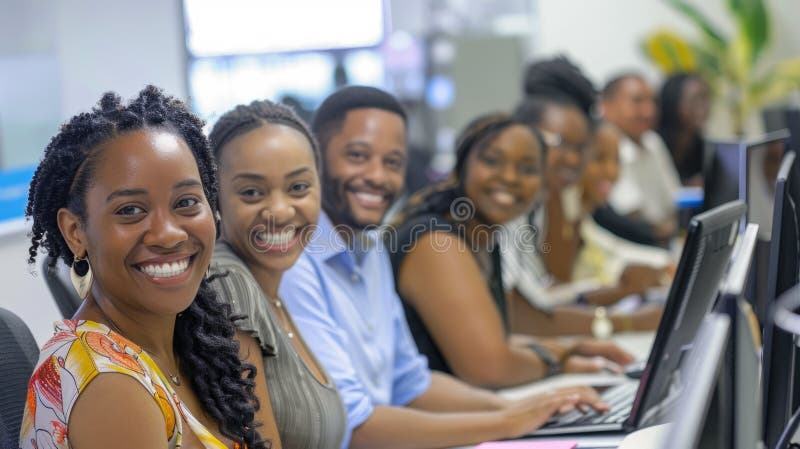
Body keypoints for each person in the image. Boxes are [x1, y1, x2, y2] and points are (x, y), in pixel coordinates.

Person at [279, 86, 607, 449]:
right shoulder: (291, 264)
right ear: (313, 157)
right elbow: (350, 426)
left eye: (393, 162)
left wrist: (526, 408)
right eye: (358, 156)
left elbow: (411, 384)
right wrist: (507, 420)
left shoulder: (369, 249)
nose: (378, 175)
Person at [20, 86, 274, 449]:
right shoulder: (109, 385)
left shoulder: (192, 344)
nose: (168, 234)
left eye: (186, 202)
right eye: (130, 210)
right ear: (76, 232)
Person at [388, 112, 635, 389]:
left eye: (527, 169)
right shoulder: (436, 242)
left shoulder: (485, 238)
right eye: (492, 161)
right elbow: (490, 368)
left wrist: (568, 351)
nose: (509, 177)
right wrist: (555, 360)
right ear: (461, 167)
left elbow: (495, 340)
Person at [208, 99, 346, 449]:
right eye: (252, 192)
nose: (280, 212)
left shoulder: (267, 288)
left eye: (298, 187)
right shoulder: (230, 284)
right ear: (216, 199)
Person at [600, 73, 681, 239]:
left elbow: (674, 200)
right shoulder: (603, 150)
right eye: (637, 101)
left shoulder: (653, 141)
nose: (649, 111)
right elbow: (630, 216)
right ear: (607, 107)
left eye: (653, 102)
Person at [656, 73, 711, 187]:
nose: (704, 107)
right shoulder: (654, 143)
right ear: (674, 102)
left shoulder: (701, 146)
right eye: (695, 100)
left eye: (705, 98)